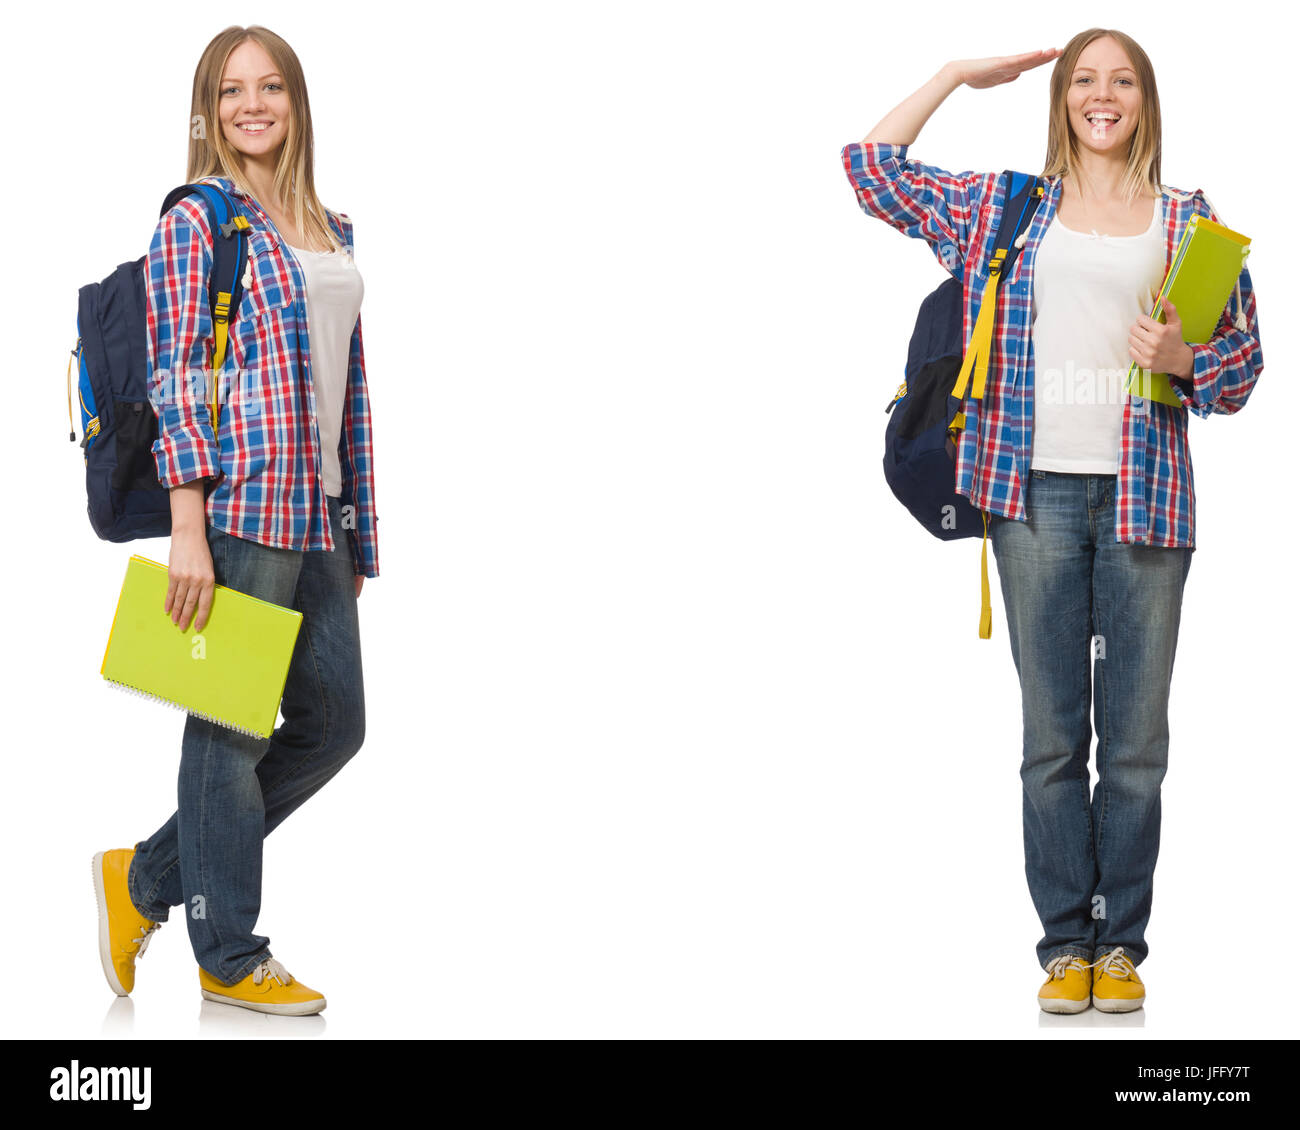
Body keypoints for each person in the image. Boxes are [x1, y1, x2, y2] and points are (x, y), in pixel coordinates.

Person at [842, 30, 1262, 1013]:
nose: (1100, 96)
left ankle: (1119, 948)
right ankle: (1062, 943)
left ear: (1143, 100)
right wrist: (952, 75)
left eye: (1120, 81)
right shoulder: (1003, 208)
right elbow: (869, 170)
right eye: (1084, 80)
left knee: (1136, 742)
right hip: (1027, 497)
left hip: (1145, 497)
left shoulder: (1189, 225)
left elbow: (1238, 373)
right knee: (1049, 738)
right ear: (1062, 97)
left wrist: (1185, 358)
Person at [91, 24, 379, 1016]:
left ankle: (141, 876)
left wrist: (359, 533)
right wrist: (187, 523)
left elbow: (350, 386)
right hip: (242, 505)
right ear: (206, 110)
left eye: (270, 88)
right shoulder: (199, 221)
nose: (250, 105)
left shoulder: (329, 226)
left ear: (296, 103)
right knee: (229, 729)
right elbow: (179, 377)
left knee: (336, 726)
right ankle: (228, 949)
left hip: (319, 512)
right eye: (229, 90)